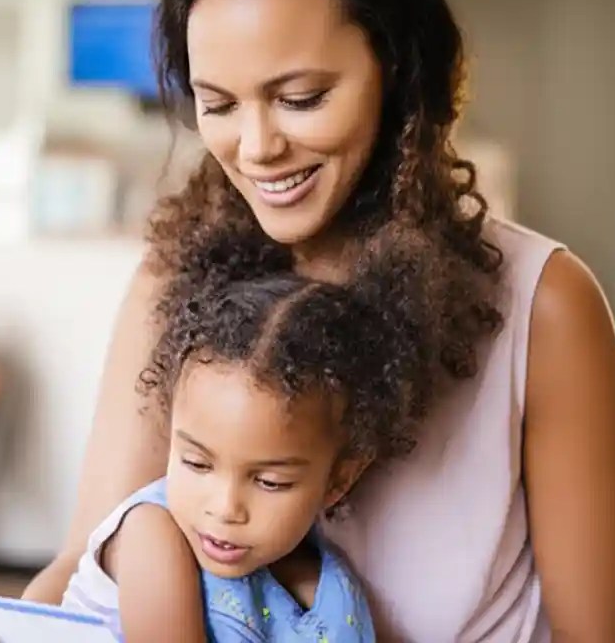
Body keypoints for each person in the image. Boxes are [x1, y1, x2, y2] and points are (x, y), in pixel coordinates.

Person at [0, 0, 615, 639]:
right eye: (220, 105)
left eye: (300, 98)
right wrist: (0, 635)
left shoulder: (544, 307)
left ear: (397, 69)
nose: (257, 148)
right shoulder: (170, 286)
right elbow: (88, 567)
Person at [63, 231, 441, 642]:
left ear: (338, 480)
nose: (225, 508)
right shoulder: (153, 537)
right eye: (196, 463)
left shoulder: (335, 595)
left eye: (269, 482)